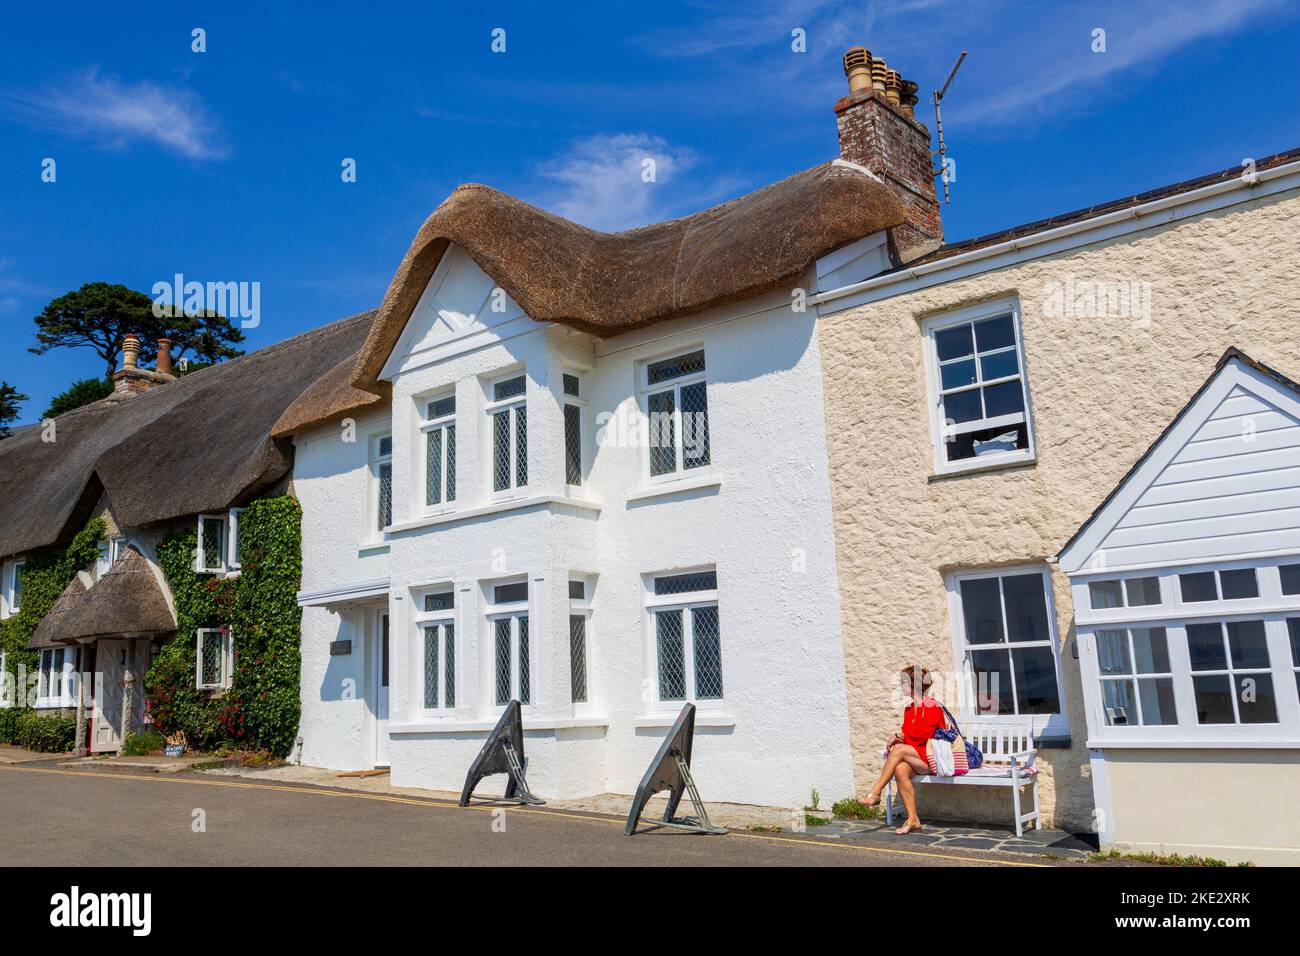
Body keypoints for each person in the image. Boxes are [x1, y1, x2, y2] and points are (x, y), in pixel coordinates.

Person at [858, 665, 947, 834]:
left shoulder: (932, 707)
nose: (901, 686)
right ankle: (913, 819)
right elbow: (910, 735)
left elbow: (922, 737)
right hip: (916, 758)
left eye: (903, 682)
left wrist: (900, 737)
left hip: (931, 759)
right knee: (900, 769)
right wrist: (899, 736)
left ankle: (875, 792)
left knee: (898, 749)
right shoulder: (909, 709)